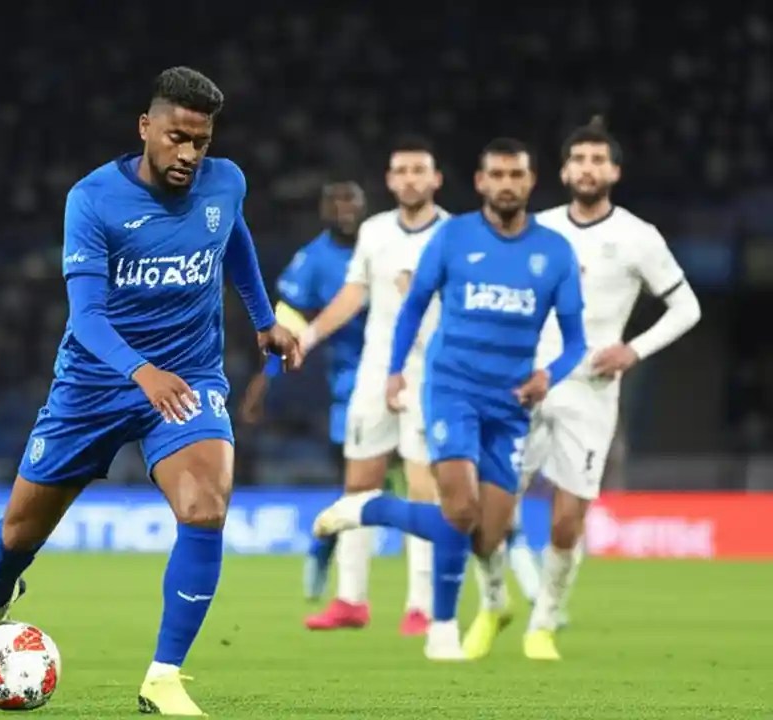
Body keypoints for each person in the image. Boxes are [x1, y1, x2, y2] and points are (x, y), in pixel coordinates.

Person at [0, 66, 300, 716]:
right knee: (18, 532)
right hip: (95, 385)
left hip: (188, 377)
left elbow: (231, 236)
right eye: (177, 137)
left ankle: (163, 676)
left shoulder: (226, 183)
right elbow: (88, 317)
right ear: (146, 128)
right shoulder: (93, 200)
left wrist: (264, 319)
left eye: (201, 141)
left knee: (206, 507)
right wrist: (141, 373)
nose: (188, 154)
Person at [311, 138, 588, 660]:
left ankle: (372, 508)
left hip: (511, 406)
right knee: (457, 508)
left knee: (488, 534)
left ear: (531, 183)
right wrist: (394, 371)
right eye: (497, 175)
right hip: (451, 388)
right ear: (481, 182)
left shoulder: (554, 252)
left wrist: (549, 375)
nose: (507, 184)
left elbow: (576, 342)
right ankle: (441, 629)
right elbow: (412, 307)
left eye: (516, 175)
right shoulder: (453, 237)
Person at [465, 119, 701, 661]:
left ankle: (543, 623)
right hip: (523, 388)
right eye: (580, 160)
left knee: (568, 519)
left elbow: (687, 306)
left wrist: (633, 349)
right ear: (565, 171)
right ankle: (492, 604)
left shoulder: (638, 237)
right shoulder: (537, 229)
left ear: (614, 172)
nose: (589, 169)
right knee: (489, 509)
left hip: (591, 392)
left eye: (600, 160)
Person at [296, 136, 448, 635]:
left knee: (425, 489)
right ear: (389, 180)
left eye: (418, 170)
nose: (409, 178)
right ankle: (350, 600)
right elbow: (353, 294)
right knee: (359, 485)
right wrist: (310, 335)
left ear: (435, 179)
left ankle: (422, 606)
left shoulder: (455, 235)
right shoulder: (376, 232)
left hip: (430, 376)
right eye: (401, 170)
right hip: (373, 374)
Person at [236, 179, 369, 603]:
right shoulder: (313, 261)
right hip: (353, 391)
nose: (344, 209)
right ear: (323, 211)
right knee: (360, 489)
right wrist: (264, 380)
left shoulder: (387, 243)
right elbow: (287, 325)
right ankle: (325, 539)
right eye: (335, 202)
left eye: (351, 201)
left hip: (413, 380)